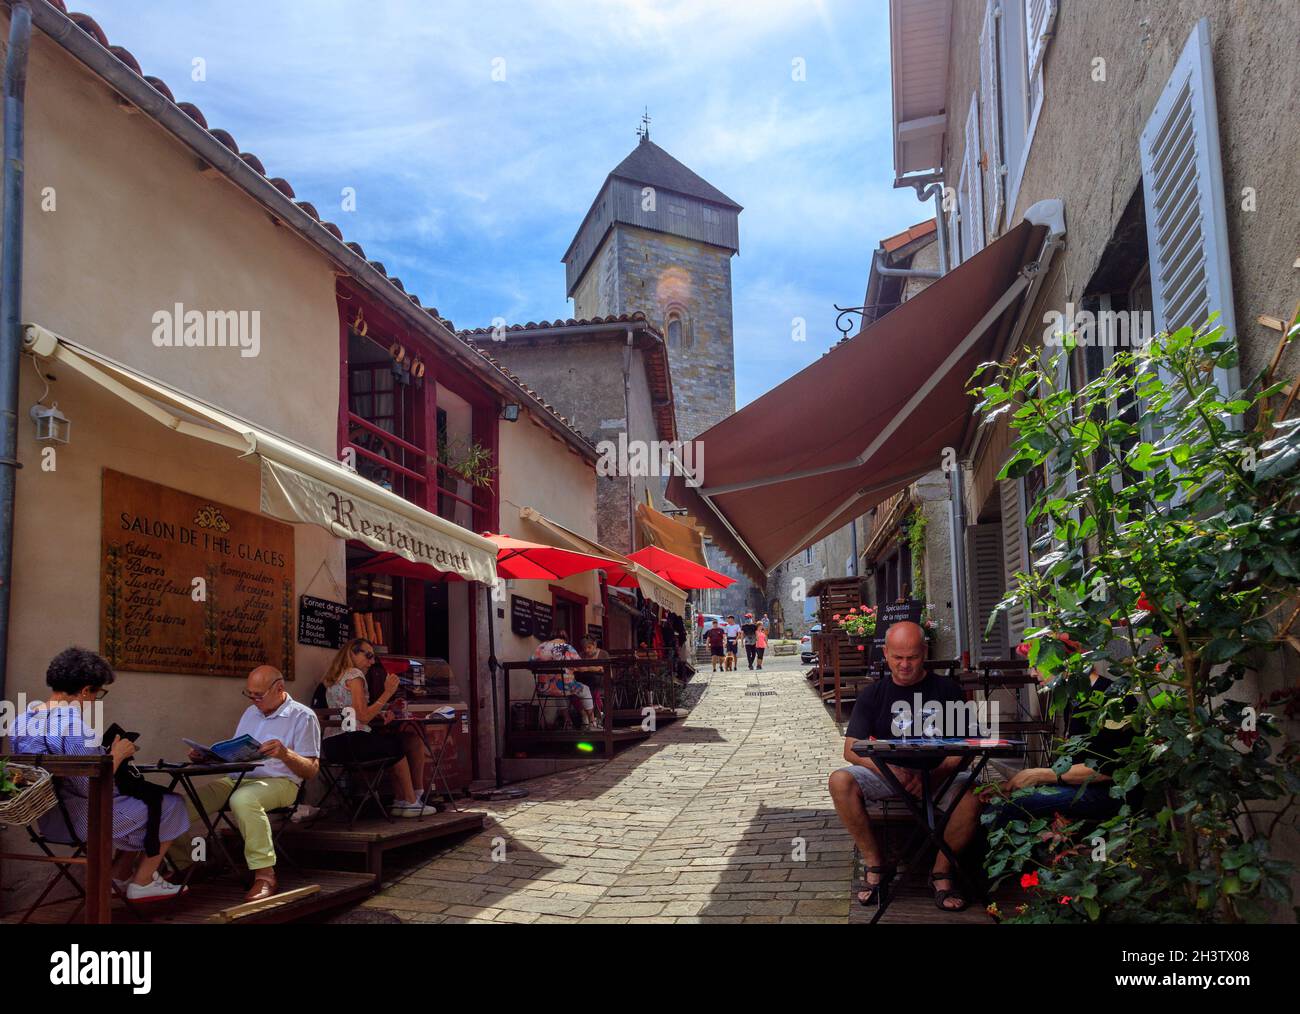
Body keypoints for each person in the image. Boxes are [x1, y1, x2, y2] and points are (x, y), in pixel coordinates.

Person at [14, 648, 190, 902]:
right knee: (172, 805)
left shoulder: (22, 721)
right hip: (82, 820)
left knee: (148, 804)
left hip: (47, 818)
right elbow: (90, 786)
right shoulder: (74, 727)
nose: (96, 700)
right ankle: (143, 882)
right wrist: (117, 754)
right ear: (86, 690)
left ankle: (117, 877)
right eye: (98, 693)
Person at [827, 621, 977, 912]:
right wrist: (889, 771)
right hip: (887, 775)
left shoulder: (947, 690)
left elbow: (967, 745)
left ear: (925, 652)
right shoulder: (873, 694)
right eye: (898, 657)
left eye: (912, 657)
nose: (905, 665)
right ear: (886, 654)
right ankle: (876, 864)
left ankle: (941, 871)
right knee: (839, 781)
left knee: (971, 797)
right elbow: (851, 750)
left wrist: (937, 775)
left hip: (940, 774)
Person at [173, 664, 320, 902]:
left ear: (279, 688)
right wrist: (210, 756)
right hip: (237, 777)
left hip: (281, 782)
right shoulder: (250, 712)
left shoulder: (302, 715)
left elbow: (312, 770)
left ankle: (265, 875)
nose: (253, 700)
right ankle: (185, 865)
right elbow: (238, 752)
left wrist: (286, 754)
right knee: (174, 805)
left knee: (243, 799)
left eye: (258, 695)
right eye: (249, 694)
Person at [985, 640, 1137, 828]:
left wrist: (1041, 775)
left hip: (1110, 793)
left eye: (1035, 664)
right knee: (994, 804)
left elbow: (1108, 770)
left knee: (1012, 807)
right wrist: (1011, 785)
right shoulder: (1073, 698)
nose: (1032, 673)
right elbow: (1074, 760)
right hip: (1081, 788)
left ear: (1060, 660)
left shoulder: (1111, 697)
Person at [319, 639, 433, 817]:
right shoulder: (354, 674)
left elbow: (354, 712)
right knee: (396, 746)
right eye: (369, 656)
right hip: (351, 742)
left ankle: (402, 800)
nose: (372, 662)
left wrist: (378, 713)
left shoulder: (335, 677)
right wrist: (387, 692)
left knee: (396, 742)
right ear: (352, 653)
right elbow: (363, 716)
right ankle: (410, 802)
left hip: (332, 745)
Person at [532, 630, 599, 730]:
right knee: (585, 690)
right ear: (564, 639)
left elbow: (531, 664)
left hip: (544, 688)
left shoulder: (540, 647)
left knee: (558, 692)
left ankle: (568, 722)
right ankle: (592, 722)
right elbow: (581, 667)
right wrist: (594, 668)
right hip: (565, 686)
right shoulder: (566, 648)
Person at [574, 635, 609, 724]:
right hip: (584, 682)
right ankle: (583, 713)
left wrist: (588, 668)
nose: (587, 650)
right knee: (574, 690)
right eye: (584, 648)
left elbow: (604, 669)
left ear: (595, 645)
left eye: (589, 647)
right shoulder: (581, 655)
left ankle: (594, 716)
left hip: (599, 682)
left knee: (590, 688)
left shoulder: (603, 654)